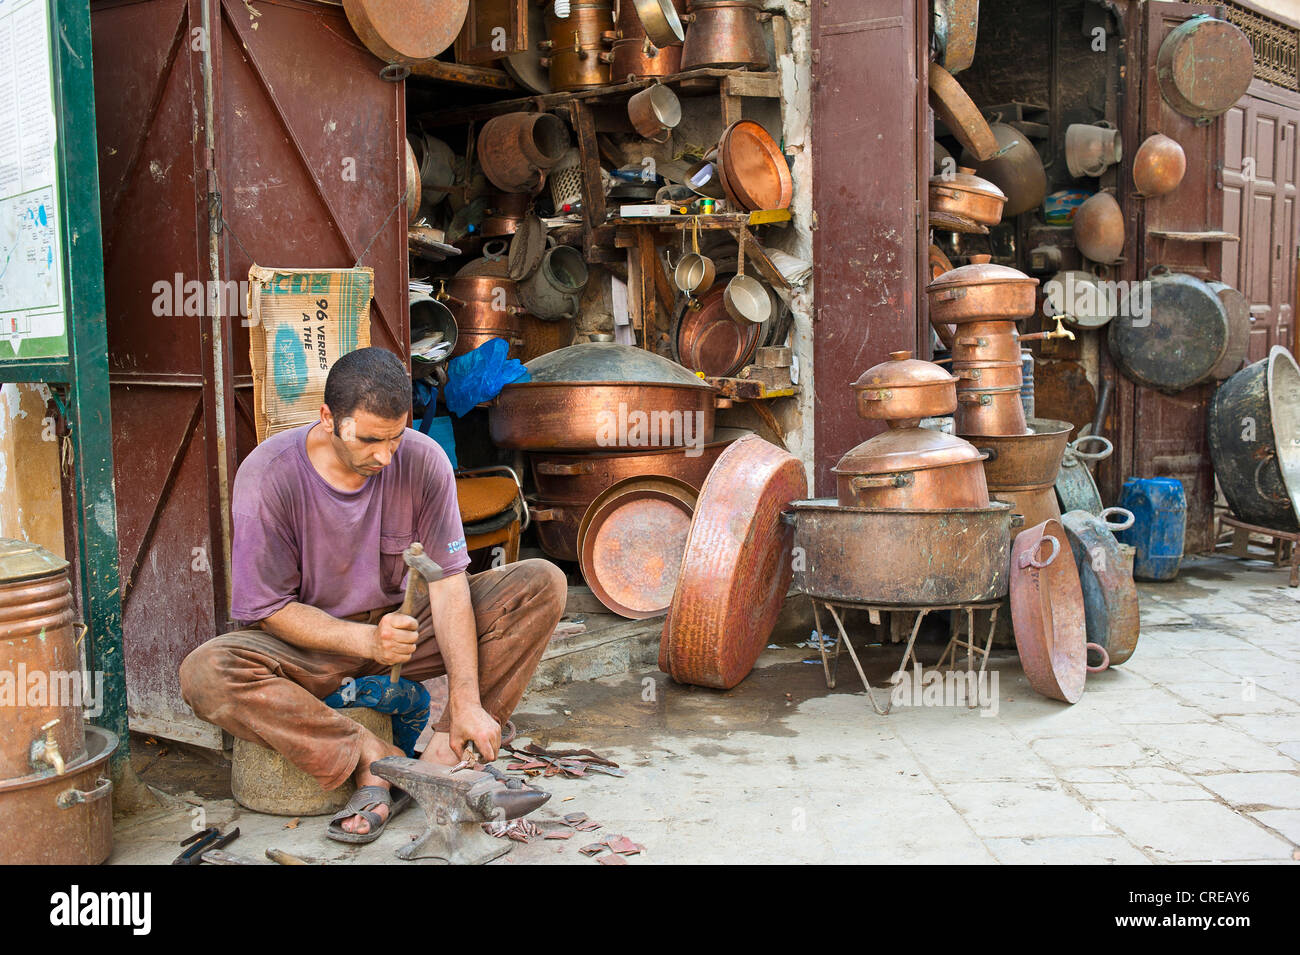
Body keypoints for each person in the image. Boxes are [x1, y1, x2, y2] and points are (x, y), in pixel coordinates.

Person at [180, 347, 566, 840]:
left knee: (540, 584)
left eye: (395, 437)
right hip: (311, 646)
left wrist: (466, 700)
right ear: (327, 418)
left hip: (403, 636)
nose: (384, 456)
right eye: (368, 440)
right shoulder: (269, 474)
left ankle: (444, 751)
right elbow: (267, 609)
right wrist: (365, 643)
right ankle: (373, 756)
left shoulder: (423, 461)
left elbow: (448, 585)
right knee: (206, 672)